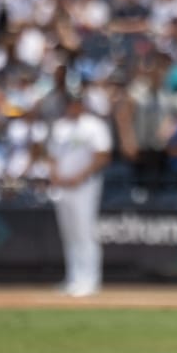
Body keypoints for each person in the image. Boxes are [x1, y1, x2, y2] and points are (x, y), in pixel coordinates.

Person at [47, 91, 112, 297]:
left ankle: (90, 280)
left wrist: (80, 176)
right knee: (69, 233)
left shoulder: (94, 126)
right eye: (69, 103)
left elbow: (103, 155)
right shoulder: (60, 127)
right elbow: (52, 156)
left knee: (85, 231)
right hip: (63, 186)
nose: (72, 106)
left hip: (85, 185)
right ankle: (73, 278)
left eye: (76, 103)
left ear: (82, 104)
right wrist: (55, 175)